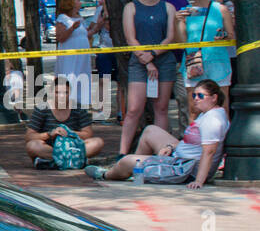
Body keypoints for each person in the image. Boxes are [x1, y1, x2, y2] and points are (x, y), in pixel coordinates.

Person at [87, 79, 227, 189]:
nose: (196, 98)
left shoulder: (213, 120)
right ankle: (138, 172)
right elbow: (189, 144)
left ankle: (106, 175)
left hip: (184, 169)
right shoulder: (207, 114)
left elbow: (209, 153)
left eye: (201, 96)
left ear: (214, 98)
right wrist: (171, 148)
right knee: (150, 130)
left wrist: (198, 181)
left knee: (126, 161)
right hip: (179, 155)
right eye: (194, 95)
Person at [119, 0, 178, 155]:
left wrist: (153, 54)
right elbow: (131, 39)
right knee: (134, 109)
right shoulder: (131, 7)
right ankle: (123, 152)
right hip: (140, 61)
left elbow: (170, 38)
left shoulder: (168, 7)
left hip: (163, 59)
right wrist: (147, 60)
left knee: (161, 107)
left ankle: (160, 151)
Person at [176, 0, 234, 111]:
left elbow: (231, 35)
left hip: (217, 63)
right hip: (194, 64)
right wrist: (178, 22)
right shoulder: (186, 11)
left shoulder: (221, 9)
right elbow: (182, 41)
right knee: (194, 110)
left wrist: (223, 36)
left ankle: (222, 134)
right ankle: (195, 134)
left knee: (222, 108)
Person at [24, 76, 103, 169]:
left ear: (70, 93)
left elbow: (88, 133)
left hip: (73, 145)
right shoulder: (42, 108)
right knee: (32, 146)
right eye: (57, 92)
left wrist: (69, 133)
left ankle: (53, 162)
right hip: (50, 147)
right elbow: (29, 136)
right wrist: (50, 134)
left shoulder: (78, 108)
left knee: (97, 142)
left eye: (65, 92)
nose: (61, 96)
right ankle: (75, 160)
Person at [53, 0, 94, 105]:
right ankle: (68, 102)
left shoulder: (80, 17)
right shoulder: (63, 18)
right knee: (70, 77)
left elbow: (86, 34)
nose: (80, 2)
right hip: (70, 56)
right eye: (77, 0)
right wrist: (71, 28)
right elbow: (60, 38)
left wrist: (96, 26)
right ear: (71, 3)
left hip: (82, 55)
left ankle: (82, 103)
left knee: (83, 76)